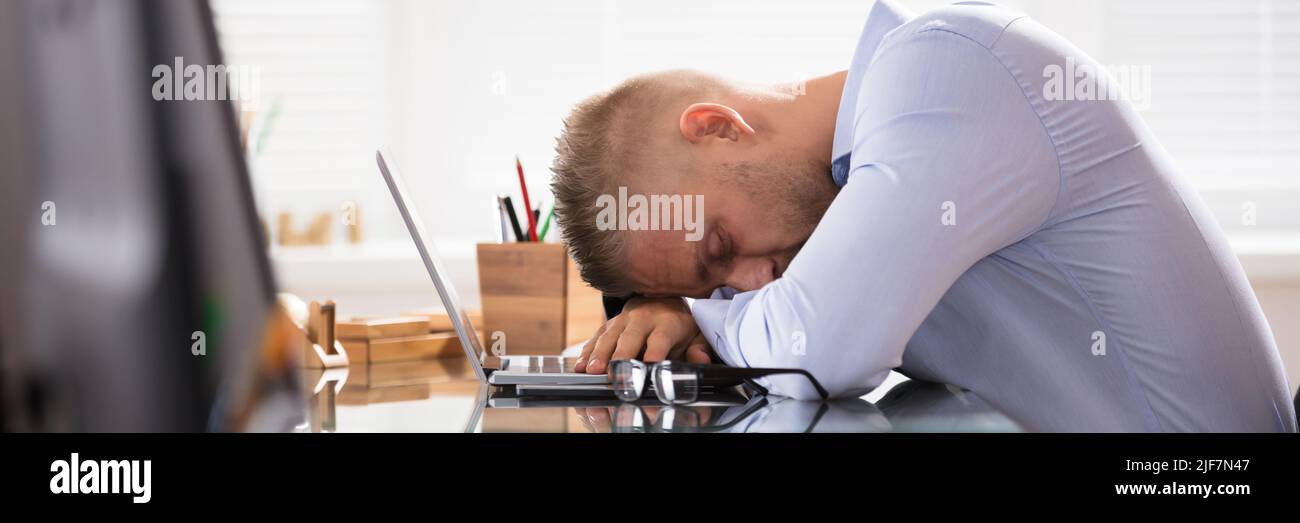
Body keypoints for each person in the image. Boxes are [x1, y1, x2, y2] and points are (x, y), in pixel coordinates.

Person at [548, 0, 1296, 432]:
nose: (754, 278)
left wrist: (701, 315)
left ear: (718, 126)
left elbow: (823, 349)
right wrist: (680, 304)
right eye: (717, 285)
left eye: (720, 245)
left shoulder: (940, 74)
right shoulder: (857, 181)